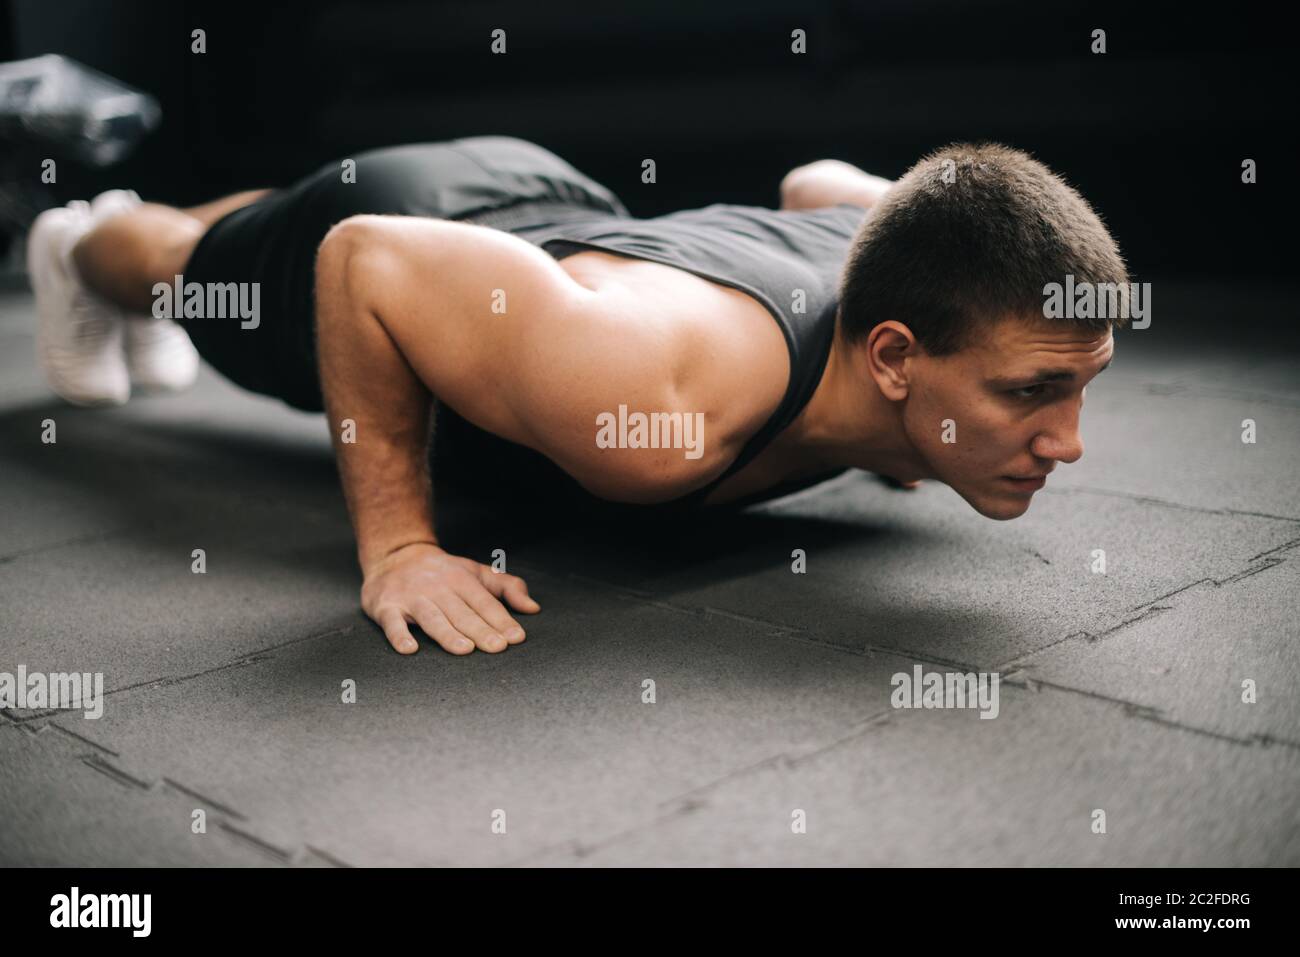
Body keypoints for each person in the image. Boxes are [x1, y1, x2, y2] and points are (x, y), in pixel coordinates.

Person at [25, 136, 1123, 657]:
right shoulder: (652, 411)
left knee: (256, 218)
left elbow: (821, 188)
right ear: (892, 357)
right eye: (1031, 391)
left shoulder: (901, 262)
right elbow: (366, 258)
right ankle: (74, 235)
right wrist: (400, 546)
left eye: (1079, 387)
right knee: (193, 266)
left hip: (556, 230)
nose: (1065, 442)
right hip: (431, 263)